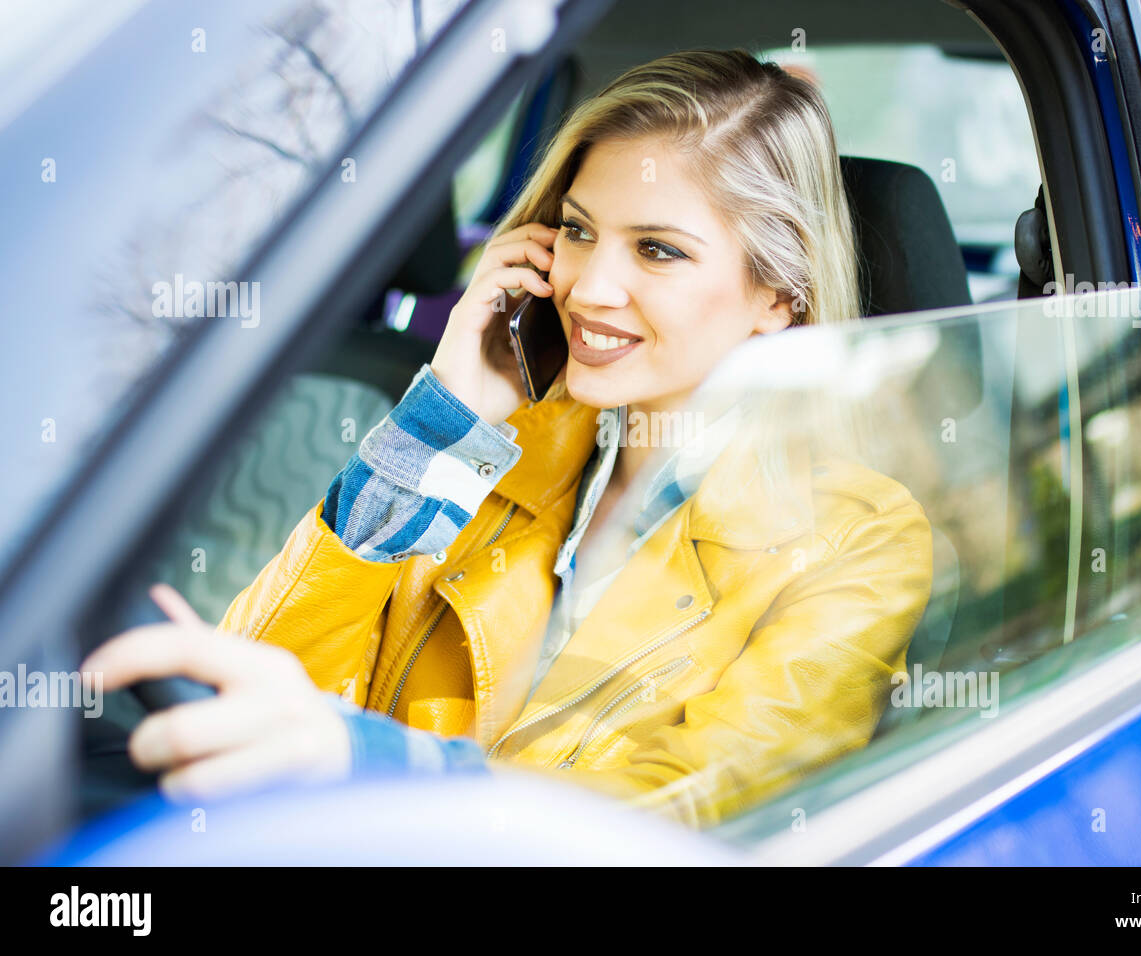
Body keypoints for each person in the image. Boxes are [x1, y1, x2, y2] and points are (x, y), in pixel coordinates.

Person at [82, 48, 933, 829]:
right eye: (576, 229)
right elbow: (250, 708)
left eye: (659, 251)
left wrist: (371, 763)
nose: (589, 287)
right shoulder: (489, 448)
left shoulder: (857, 540)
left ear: (778, 298)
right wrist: (441, 413)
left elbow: (690, 808)